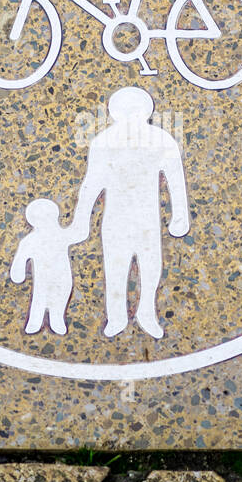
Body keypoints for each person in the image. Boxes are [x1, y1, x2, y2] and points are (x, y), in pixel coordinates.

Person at [71, 86, 189, 338]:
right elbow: (91, 184)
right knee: (115, 267)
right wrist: (81, 221)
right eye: (125, 111)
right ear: (115, 114)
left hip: (147, 217)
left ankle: (147, 312)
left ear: (146, 112)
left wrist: (180, 216)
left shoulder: (160, 140)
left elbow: (176, 180)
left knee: (150, 265)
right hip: (115, 218)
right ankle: (116, 317)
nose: (131, 116)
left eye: (135, 111)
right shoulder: (103, 142)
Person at [9, 198, 78, 335]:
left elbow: (81, 233)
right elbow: (20, 259)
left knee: (59, 298)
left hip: (62, 279)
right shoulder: (31, 241)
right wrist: (18, 273)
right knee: (40, 298)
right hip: (45, 280)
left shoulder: (59, 235)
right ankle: (36, 321)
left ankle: (56, 320)